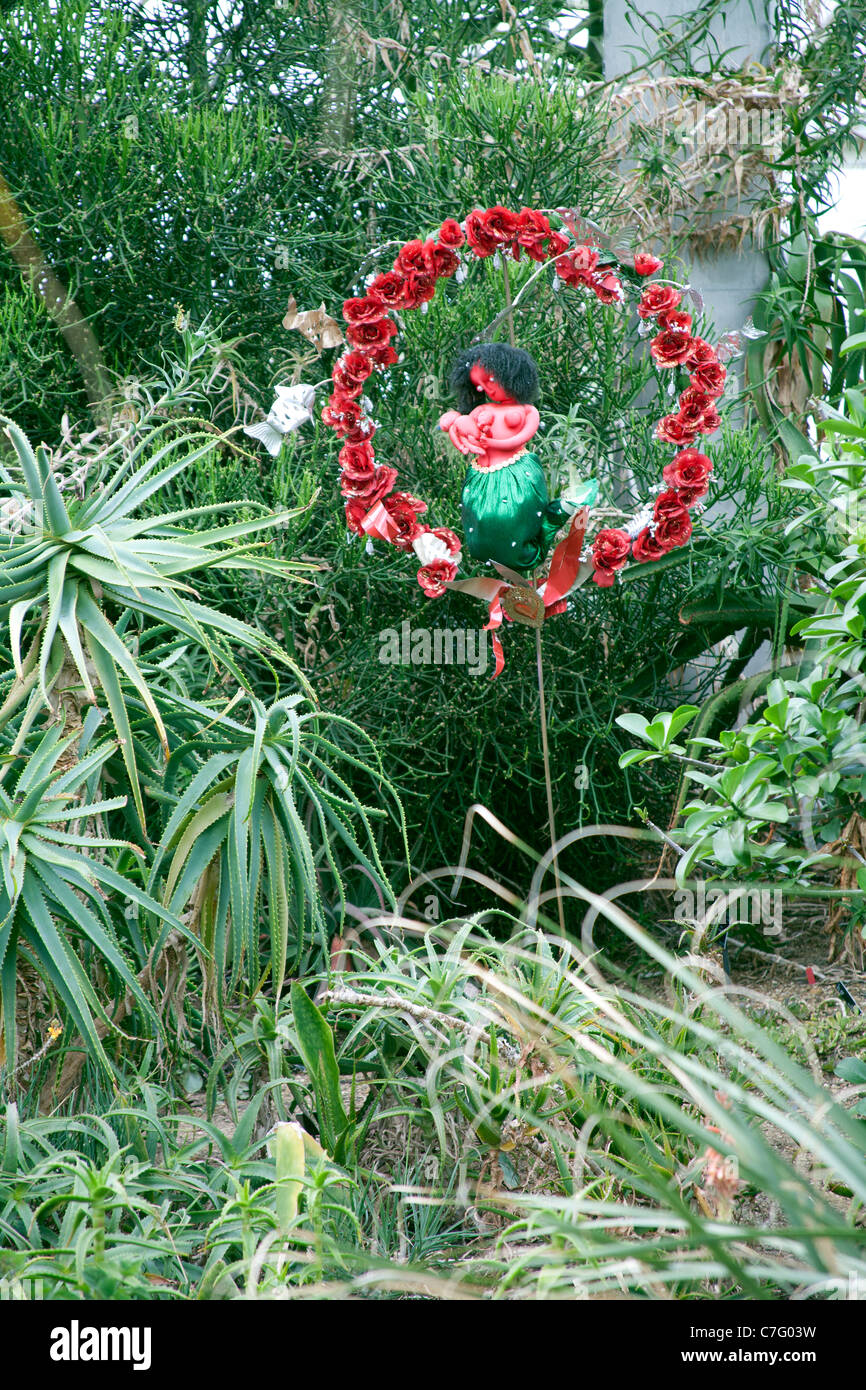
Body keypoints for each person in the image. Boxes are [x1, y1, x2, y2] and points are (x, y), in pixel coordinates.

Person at [440, 343, 574, 570]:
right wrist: (455, 423)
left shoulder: (527, 410)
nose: (485, 390)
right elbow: (465, 429)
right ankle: (487, 553)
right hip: (483, 476)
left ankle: (525, 550)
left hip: (516, 475)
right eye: (478, 385)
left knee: (518, 518)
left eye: (489, 381)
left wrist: (493, 443)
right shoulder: (482, 410)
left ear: (511, 375)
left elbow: (519, 438)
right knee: (481, 520)